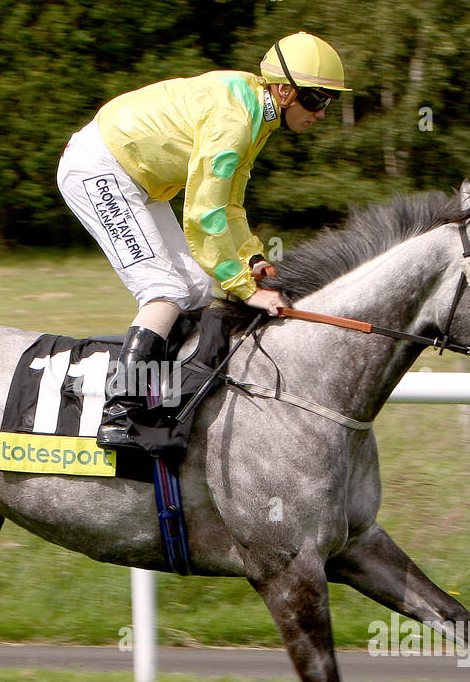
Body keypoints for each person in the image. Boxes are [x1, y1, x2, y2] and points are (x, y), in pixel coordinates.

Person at [57, 31, 350, 451]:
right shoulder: (235, 120)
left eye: (328, 102)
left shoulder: (257, 112)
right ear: (285, 91)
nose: (322, 113)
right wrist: (245, 289)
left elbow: (229, 204)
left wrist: (251, 259)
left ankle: (171, 397)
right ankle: (119, 412)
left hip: (136, 179)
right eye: (318, 99)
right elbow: (203, 214)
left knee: (196, 289)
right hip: (99, 169)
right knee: (164, 292)